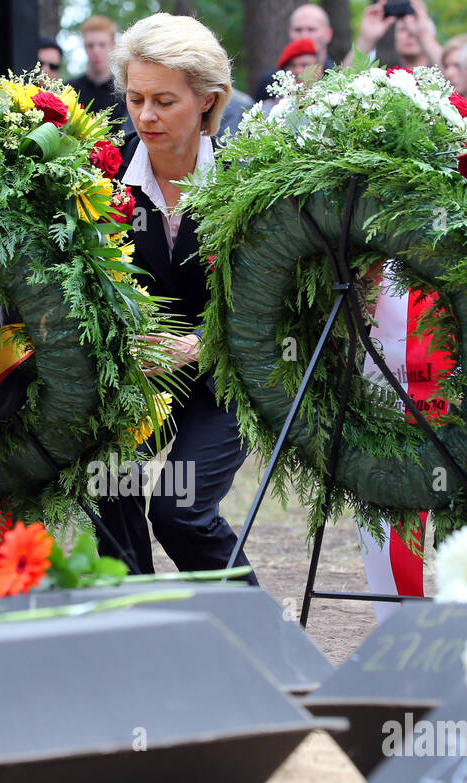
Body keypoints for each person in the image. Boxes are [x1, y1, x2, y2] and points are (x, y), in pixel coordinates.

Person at [96, 12, 255, 581]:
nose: (145, 115)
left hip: (228, 374)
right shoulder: (101, 176)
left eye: (164, 100)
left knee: (180, 512)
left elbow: (275, 300)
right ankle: (133, 621)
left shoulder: (247, 180)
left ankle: (254, 634)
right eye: (136, 98)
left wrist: (197, 345)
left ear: (208, 101)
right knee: (105, 479)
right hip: (141, 373)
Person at [256, 3, 336, 101]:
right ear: (290, 33)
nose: (304, 36)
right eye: (298, 30)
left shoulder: (338, 77)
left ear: (328, 34)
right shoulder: (270, 82)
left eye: (311, 29)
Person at [70, 15, 124, 126]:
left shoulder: (125, 92)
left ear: (113, 46)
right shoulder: (70, 90)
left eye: (102, 45)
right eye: (90, 45)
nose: (96, 51)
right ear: (84, 47)